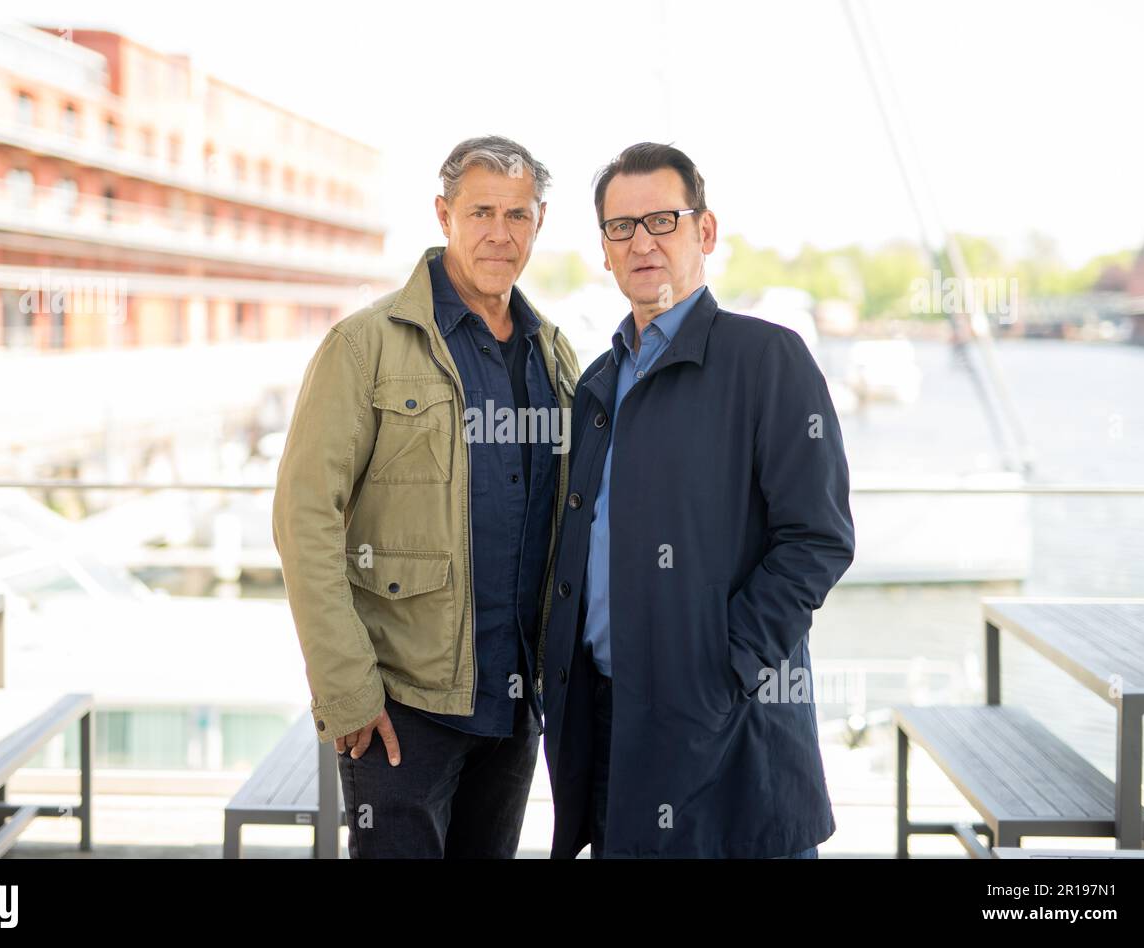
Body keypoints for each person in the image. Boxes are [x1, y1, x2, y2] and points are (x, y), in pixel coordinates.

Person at [541, 142, 855, 858]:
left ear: (704, 232)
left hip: (730, 729)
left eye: (662, 219)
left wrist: (728, 664)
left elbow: (817, 539)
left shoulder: (767, 360)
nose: (642, 242)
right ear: (605, 250)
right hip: (611, 720)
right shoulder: (598, 382)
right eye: (622, 227)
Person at [272, 135, 580, 857]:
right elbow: (304, 517)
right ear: (443, 215)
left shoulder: (553, 353)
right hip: (400, 710)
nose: (499, 233)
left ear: (539, 224)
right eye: (480, 212)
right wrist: (347, 690)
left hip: (513, 707)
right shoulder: (364, 345)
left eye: (518, 215)